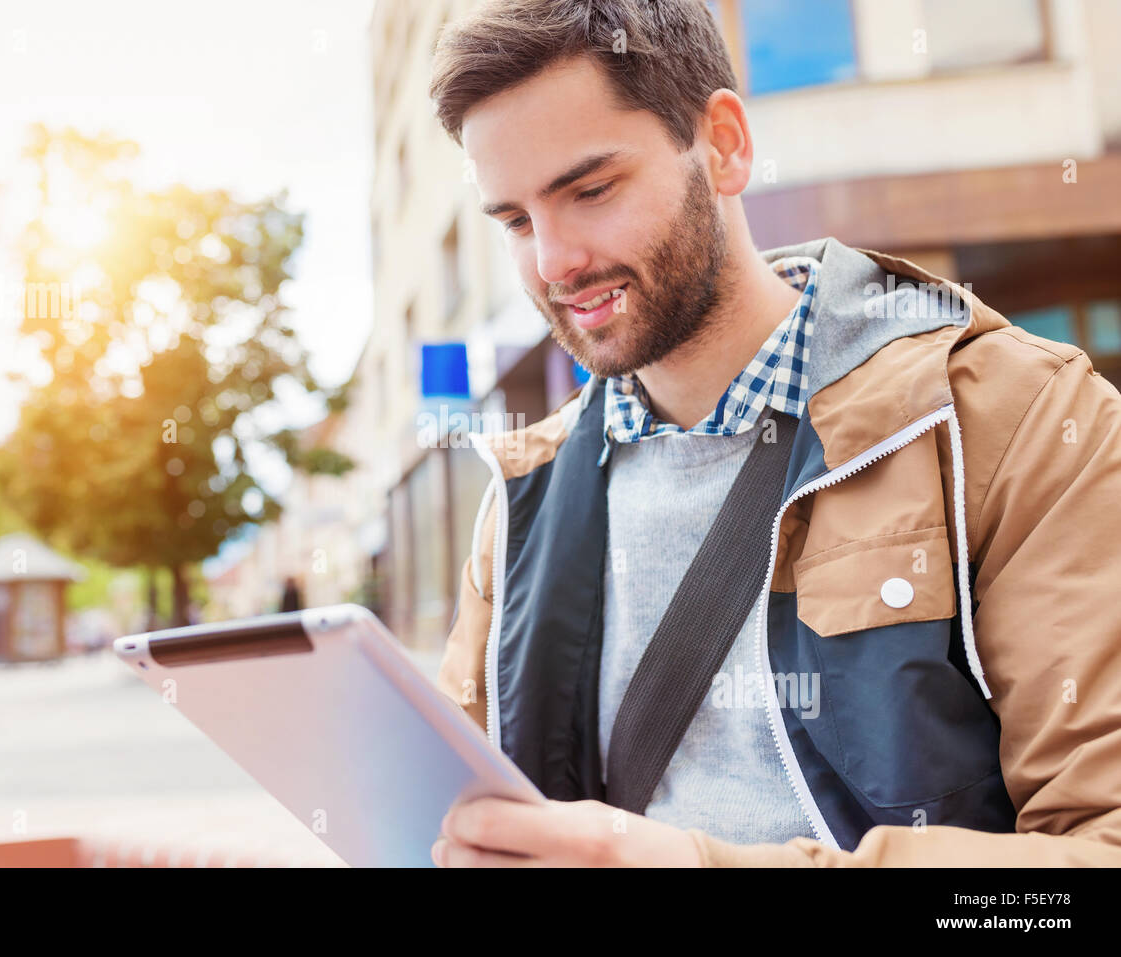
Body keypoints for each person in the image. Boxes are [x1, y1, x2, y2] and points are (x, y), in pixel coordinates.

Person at [427, 0, 1121, 867]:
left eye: (591, 190)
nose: (554, 261)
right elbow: (451, 818)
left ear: (723, 144)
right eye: (516, 222)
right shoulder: (522, 498)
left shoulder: (1016, 422)